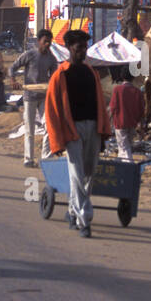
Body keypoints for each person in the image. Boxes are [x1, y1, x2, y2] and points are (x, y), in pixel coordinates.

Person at [44, 29, 111, 237]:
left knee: (89, 175)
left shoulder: (91, 73)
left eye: (84, 47)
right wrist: (57, 141)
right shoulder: (60, 75)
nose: (83, 51)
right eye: (79, 47)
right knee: (76, 174)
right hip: (72, 131)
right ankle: (85, 220)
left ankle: (73, 211)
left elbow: (100, 103)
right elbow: (52, 111)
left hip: (93, 128)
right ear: (69, 48)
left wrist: (102, 133)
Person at [10, 28, 59, 167]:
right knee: (29, 130)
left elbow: (54, 76)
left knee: (49, 127)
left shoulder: (51, 58)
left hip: (44, 97)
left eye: (49, 42)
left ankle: (45, 159)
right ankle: (28, 159)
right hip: (29, 97)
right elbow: (12, 67)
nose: (47, 44)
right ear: (39, 41)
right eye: (45, 42)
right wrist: (13, 81)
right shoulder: (29, 54)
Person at [109, 68, 146, 161]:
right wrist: (141, 126)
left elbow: (113, 108)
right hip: (132, 123)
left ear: (122, 77)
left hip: (120, 123)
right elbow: (142, 111)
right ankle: (121, 166)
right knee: (126, 147)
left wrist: (109, 122)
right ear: (133, 77)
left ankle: (129, 166)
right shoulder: (137, 92)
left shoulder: (117, 90)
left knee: (124, 148)